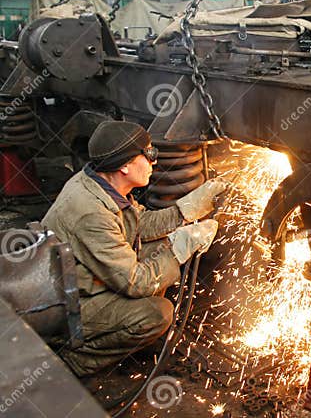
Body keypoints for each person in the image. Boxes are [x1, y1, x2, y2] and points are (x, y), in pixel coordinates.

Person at [42, 120, 227, 377]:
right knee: (159, 314)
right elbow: (135, 282)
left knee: (160, 249)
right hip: (69, 304)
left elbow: (138, 224)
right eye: (149, 154)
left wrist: (186, 209)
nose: (154, 162)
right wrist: (180, 247)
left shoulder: (99, 182)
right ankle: (74, 361)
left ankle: (133, 337)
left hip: (83, 277)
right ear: (125, 165)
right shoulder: (91, 213)